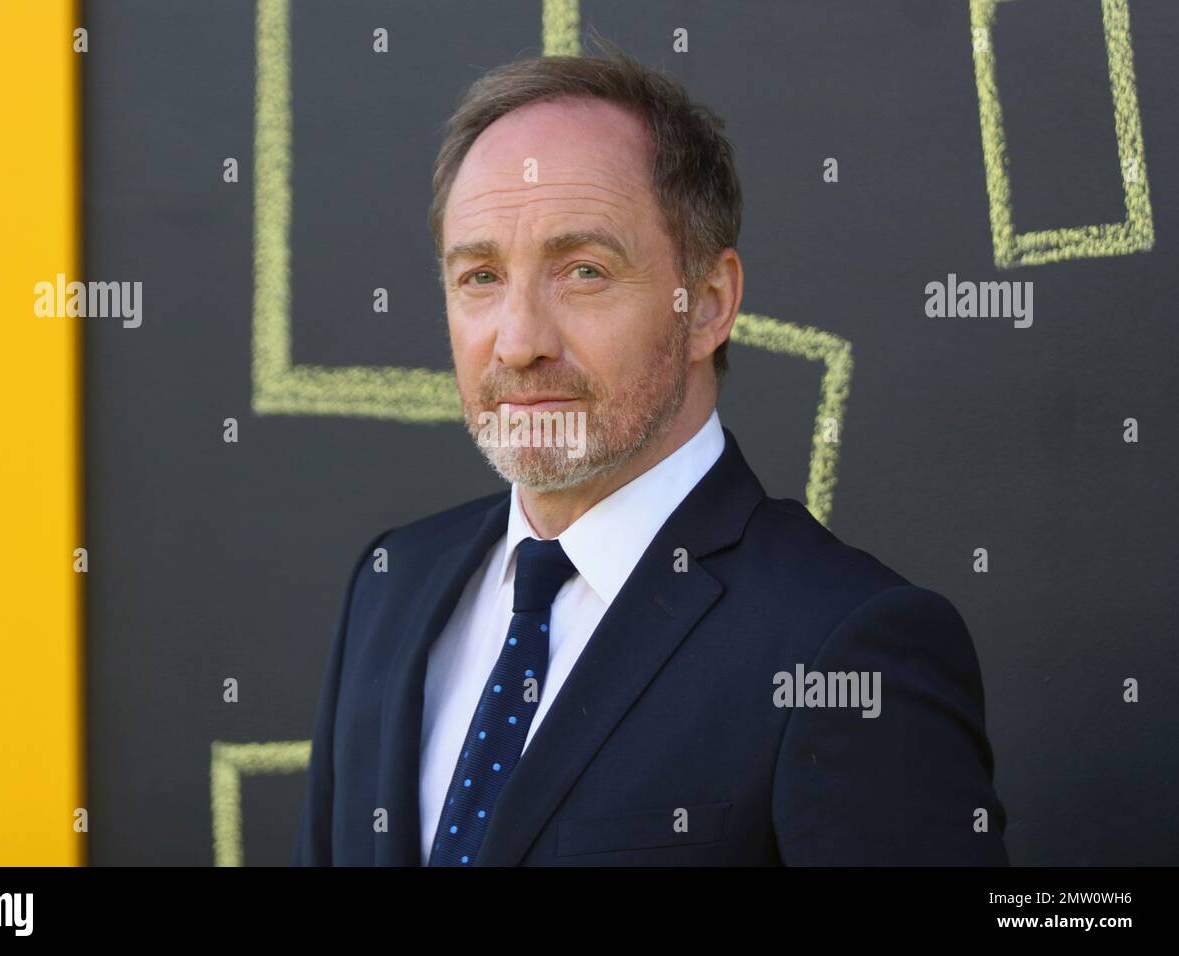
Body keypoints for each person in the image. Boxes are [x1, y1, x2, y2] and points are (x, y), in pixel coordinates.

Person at [295, 43, 1008, 866]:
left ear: (707, 304)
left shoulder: (845, 645)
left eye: (584, 271)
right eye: (481, 277)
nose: (519, 341)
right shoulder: (391, 585)